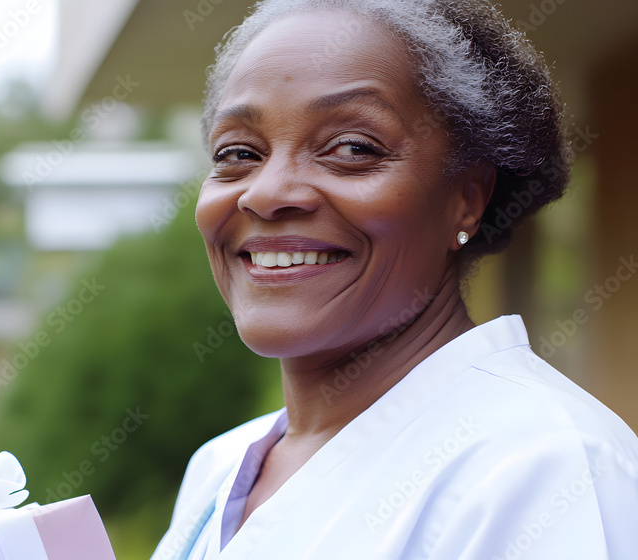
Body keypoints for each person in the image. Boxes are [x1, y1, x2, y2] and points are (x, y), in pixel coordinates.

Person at [151, 1, 638, 558]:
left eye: (353, 148)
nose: (264, 193)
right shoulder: (219, 469)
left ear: (466, 199)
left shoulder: (545, 469)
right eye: (238, 153)